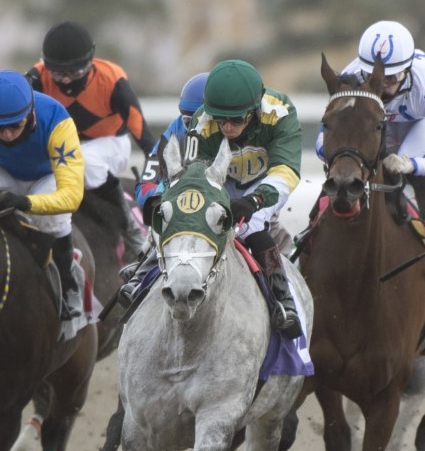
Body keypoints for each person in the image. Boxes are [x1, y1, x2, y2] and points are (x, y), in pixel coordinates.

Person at [121, 60, 304, 338]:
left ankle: (283, 301)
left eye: (237, 120)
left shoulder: (281, 114)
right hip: (219, 180)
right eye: (222, 120)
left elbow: (286, 171)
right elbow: (195, 178)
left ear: (255, 111)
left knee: (251, 226)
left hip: (264, 183)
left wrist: (255, 200)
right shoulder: (202, 121)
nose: (228, 127)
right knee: (185, 216)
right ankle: (143, 272)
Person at [322, 20, 425, 277]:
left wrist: (412, 165)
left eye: (391, 78)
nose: (382, 85)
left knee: (408, 174)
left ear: (407, 70)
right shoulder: (351, 76)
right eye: (374, 76)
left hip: (416, 124)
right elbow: (323, 143)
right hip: (375, 125)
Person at [27, 21, 154, 256]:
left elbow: (145, 138)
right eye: (57, 73)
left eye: (74, 73)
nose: (65, 81)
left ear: (91, 62)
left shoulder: (113, 81)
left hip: (111, 145)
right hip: (64, 146)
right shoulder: (36, 78)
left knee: (82, 159)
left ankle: (130, 230)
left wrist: (154, 175)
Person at [0, 69, 86, 320]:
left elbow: (72, 196)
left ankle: (68, 284)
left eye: (15, 125)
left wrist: (25, 203)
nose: (7, 135)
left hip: (45, 176)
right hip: (0, 169)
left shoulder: (58, 121)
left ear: (31, 112)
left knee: (53, 219)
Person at [135, 71, 208, 210]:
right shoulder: (176, 128)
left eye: (202, 123)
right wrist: (166, 192)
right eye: (188, 122)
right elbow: (143, 189)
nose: (194, 129)